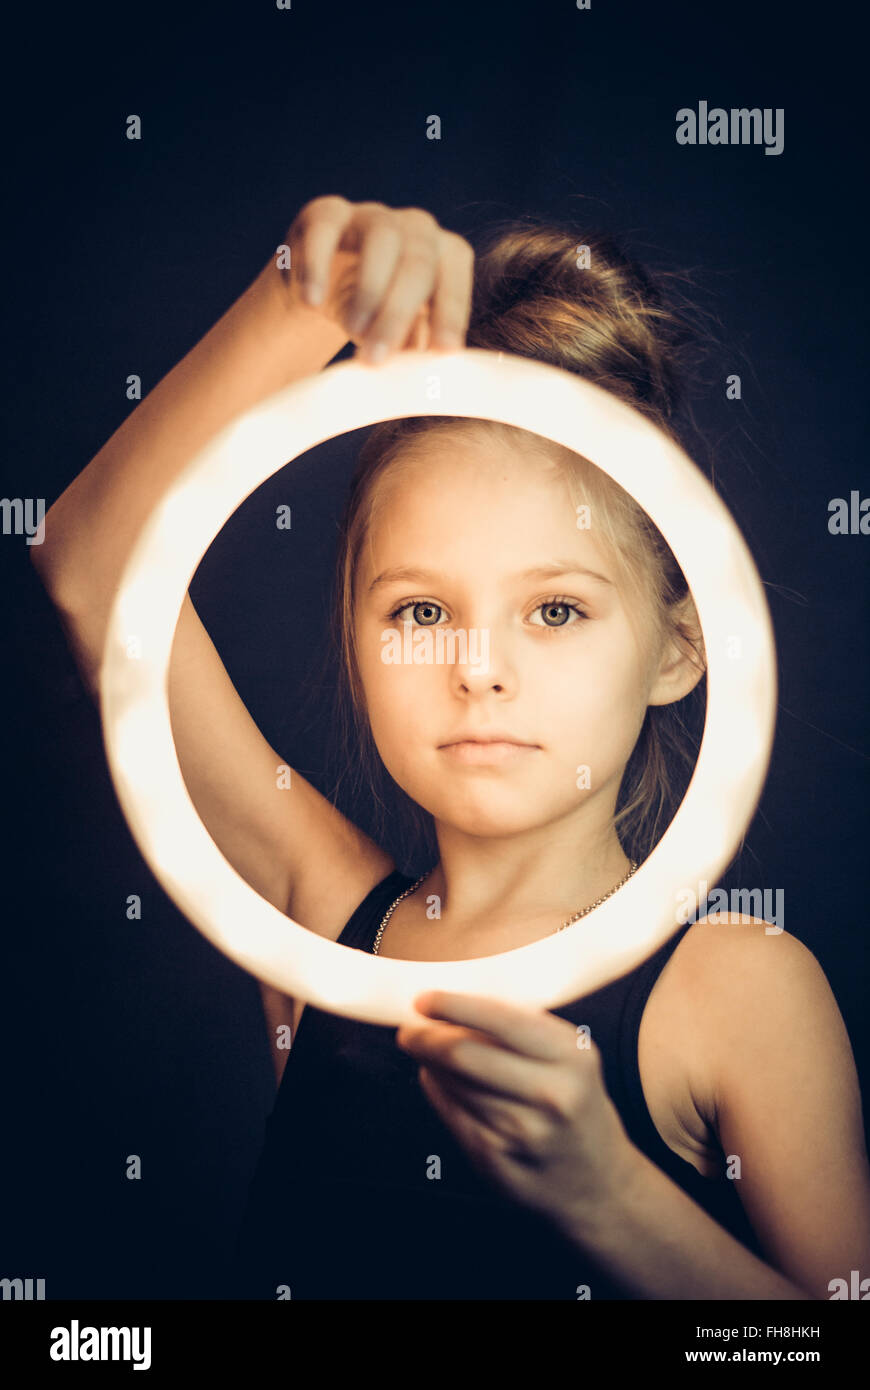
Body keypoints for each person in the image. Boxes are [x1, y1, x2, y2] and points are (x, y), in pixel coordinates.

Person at [31, 196, 870, 1301]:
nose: (479, 667)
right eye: (422, 612)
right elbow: (94, 568)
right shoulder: (319, 928)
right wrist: (302, 293)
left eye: (556, 611)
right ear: (359, 639)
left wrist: (609, 1194)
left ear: (677, 647)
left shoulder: (739, 987)